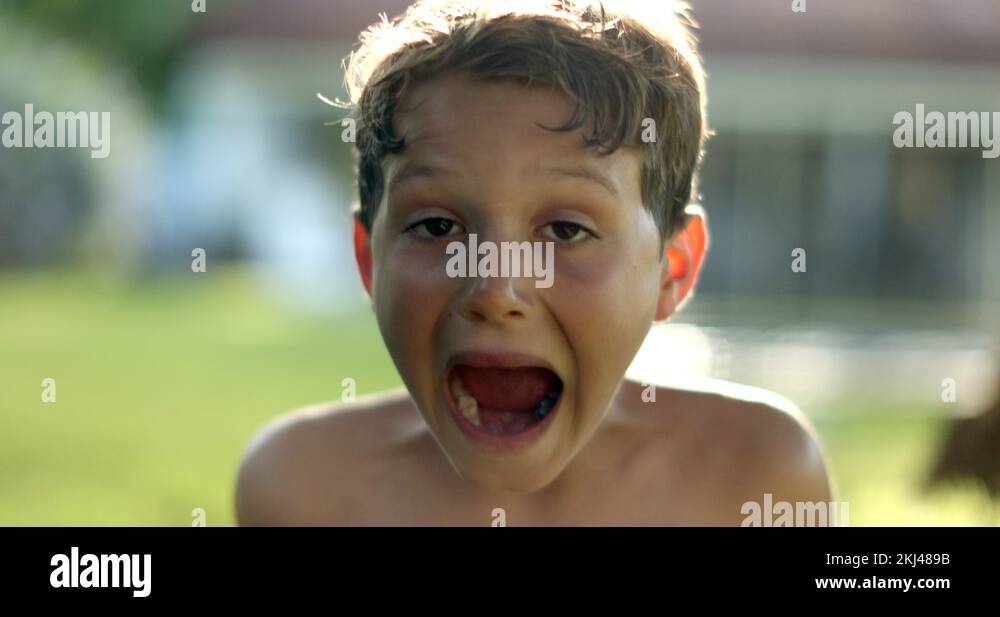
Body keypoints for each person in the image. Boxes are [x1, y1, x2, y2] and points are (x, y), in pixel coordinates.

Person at [235, 0, 833, 525]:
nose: (496, 288)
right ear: (369, 259)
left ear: (671, 269)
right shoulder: (299, 491)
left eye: (566, 230)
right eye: (437, 227)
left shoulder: (757, 480)